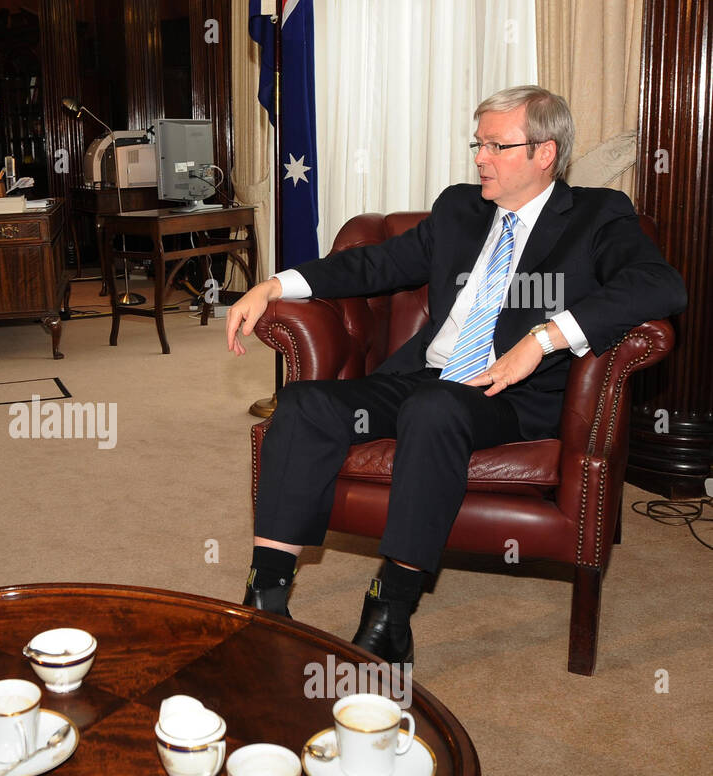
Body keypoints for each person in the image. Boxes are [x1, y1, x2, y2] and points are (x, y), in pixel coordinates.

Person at [226, 86, 685, 665]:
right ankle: (264, 599)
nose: (479, 157)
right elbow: (373, 264)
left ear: (545, 153)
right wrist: (275, 285)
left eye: (496, 145)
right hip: (427, 375)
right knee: (302, 404)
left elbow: (660, 285)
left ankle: (390, 611)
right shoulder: (459, 210)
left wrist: (542, 339)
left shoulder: (597, 215)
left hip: (510, 396)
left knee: (434, 409)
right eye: (478, 143)